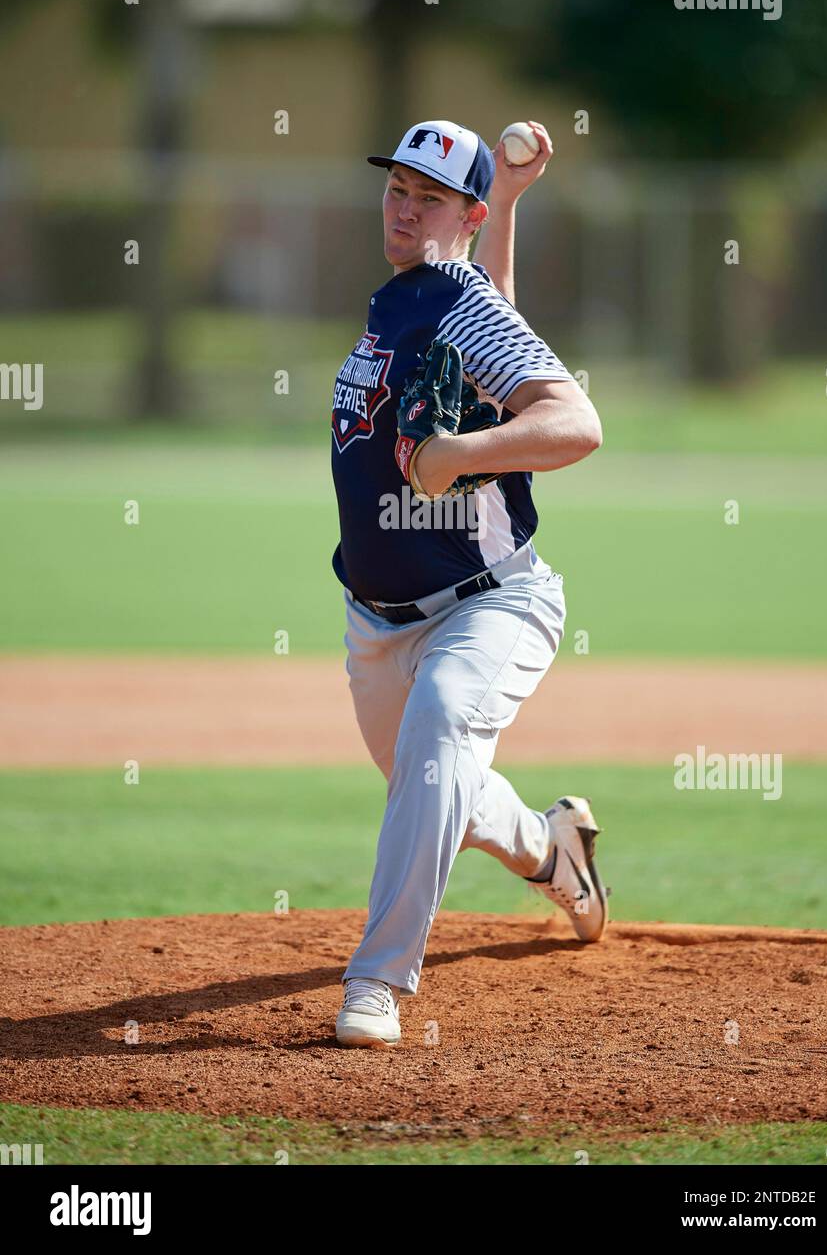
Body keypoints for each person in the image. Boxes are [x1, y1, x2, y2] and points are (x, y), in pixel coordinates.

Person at [330, 118, 608, 1048]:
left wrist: (461, 454)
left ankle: (377, 980)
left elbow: (575, 422)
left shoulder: (447, 298)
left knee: (442, 731)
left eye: (431, 198)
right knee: (435, 780)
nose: (405, 209)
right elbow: (495, 318)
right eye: (398, 189)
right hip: (376, 622)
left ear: (465, 212)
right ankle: (553, 850)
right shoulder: (408, 297)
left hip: (492, 600)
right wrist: (512, 209)